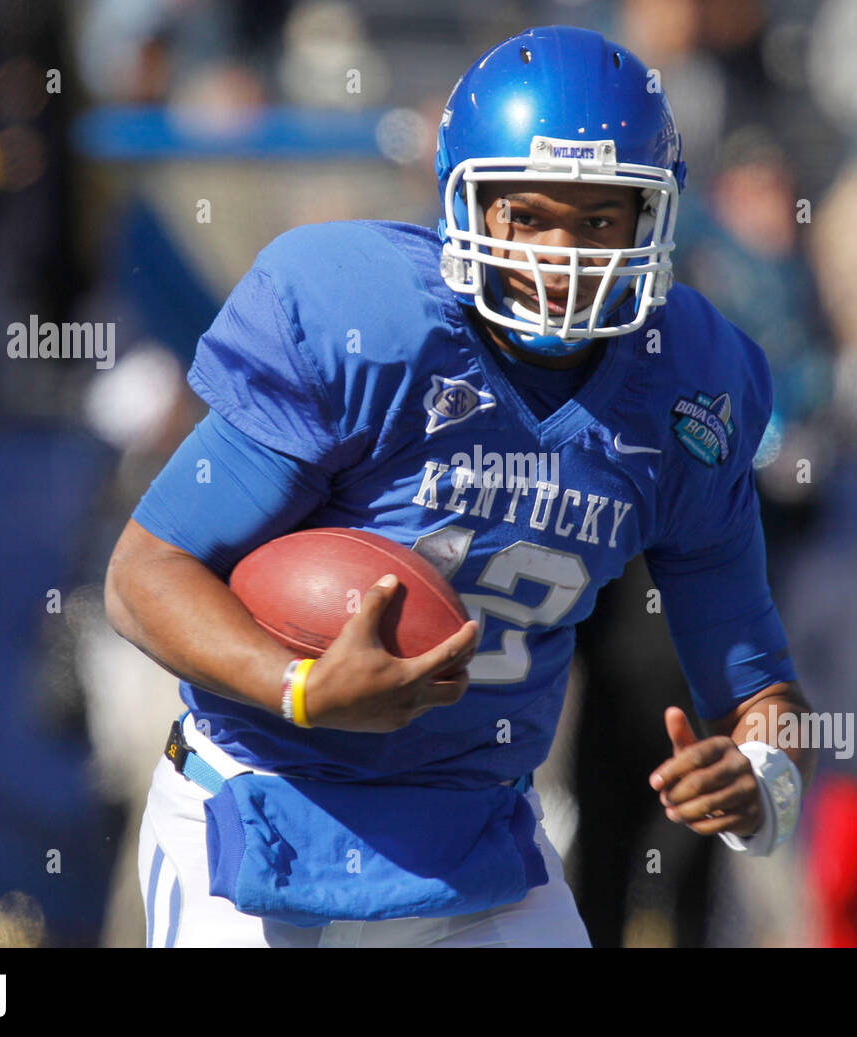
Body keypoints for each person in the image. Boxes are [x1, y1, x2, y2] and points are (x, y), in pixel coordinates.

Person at [104, 25, 813, 948]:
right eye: (528, 215)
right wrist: (301, 687)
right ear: (461, 202)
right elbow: (144, 574)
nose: (560, 257)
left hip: (477, 835)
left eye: (599, 220)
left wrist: (761, 776)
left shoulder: (688, 386)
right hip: (259, 806)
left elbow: (757, 684)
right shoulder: (362, 325)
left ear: (656, 216)